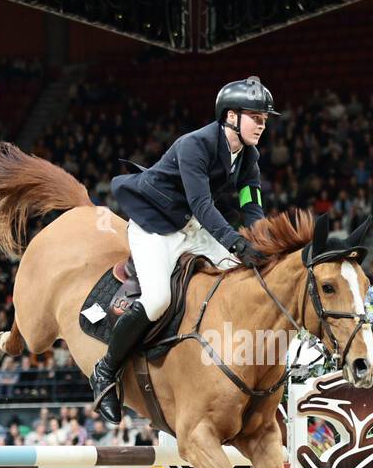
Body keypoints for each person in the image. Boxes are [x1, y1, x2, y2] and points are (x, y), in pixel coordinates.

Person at [95, 76, 281, 423]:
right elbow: (202, 204)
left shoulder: (248, 155)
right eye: (256, 117)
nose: (262, 125)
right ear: (231, 116)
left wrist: (260, 241)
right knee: (157, 300)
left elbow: (251, 202)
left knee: (243, 273)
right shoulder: (195, 144)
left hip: (192, 227)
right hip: (154, 226)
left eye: (264, 119)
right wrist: (236, 242)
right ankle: (106, 371)